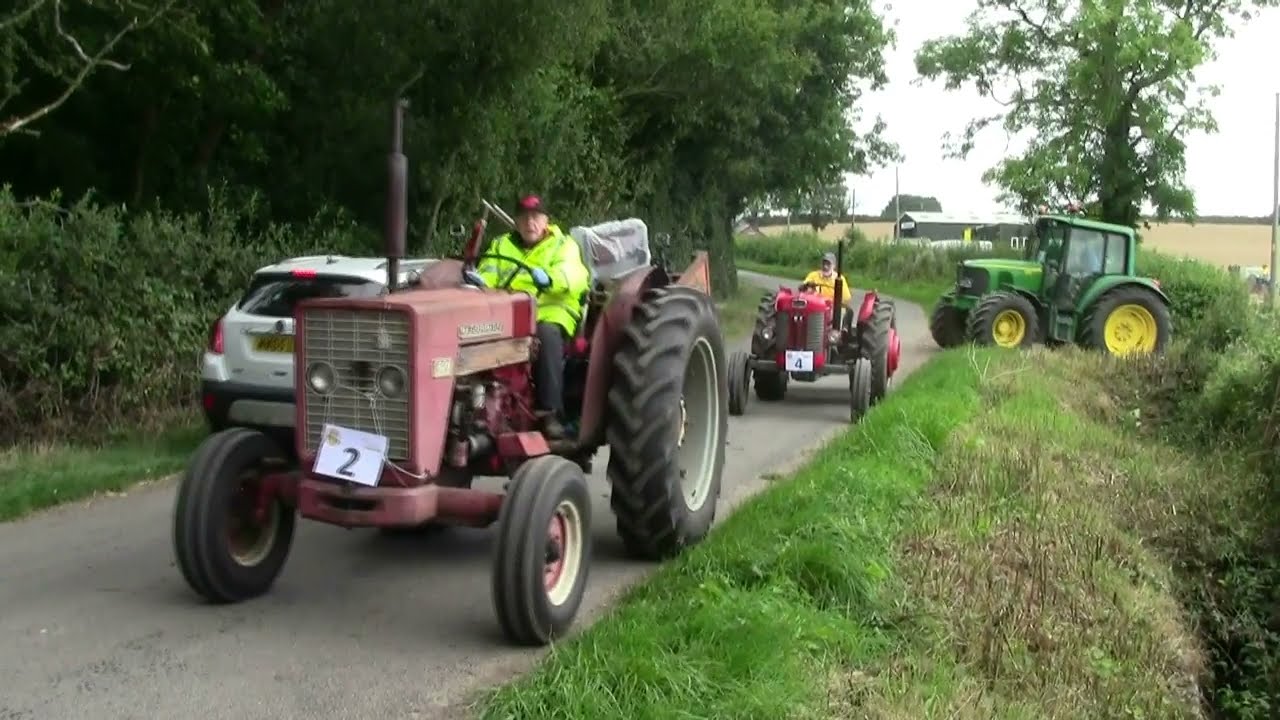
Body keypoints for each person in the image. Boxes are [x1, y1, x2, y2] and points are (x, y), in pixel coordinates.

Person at [475, 194, 591, 439]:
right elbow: (487, 273)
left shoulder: (563, 245)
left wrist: (551, 279)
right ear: (517, 221)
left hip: (551, 311)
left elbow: (575, 275)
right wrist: (479, 283)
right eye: (525, 217)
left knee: (546, 334)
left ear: (546, 220)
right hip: (509, 312)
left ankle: (550, 413)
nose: (530, 223)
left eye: (536, 217)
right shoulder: (501, 244)